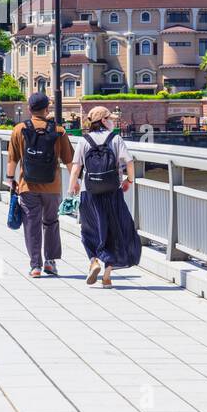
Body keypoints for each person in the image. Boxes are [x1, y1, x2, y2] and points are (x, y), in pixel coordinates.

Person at [68, 106, 141, 288]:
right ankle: (107, 277)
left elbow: (76, 167)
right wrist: (129, 180)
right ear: (102, 120)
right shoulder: (115, 139)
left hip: (89, 192)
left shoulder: (84, 140)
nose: (112, 121)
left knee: (89, 230)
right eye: (110, 118)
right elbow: (129, 162)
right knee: (112, 231)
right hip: (112, 191)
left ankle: (93, 261)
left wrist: (71, 188)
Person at [6, 92, 74, 277]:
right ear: (47, 109)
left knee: (31, 224)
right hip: (52, 186)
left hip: (27, 186)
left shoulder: (19, 129)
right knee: (51, 222)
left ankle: (36, 265)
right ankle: (50, 262)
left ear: (29, 109)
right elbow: (69, 160)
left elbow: (12, 158)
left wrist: (10, 178)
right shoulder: (58, 131)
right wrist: (75, 182)